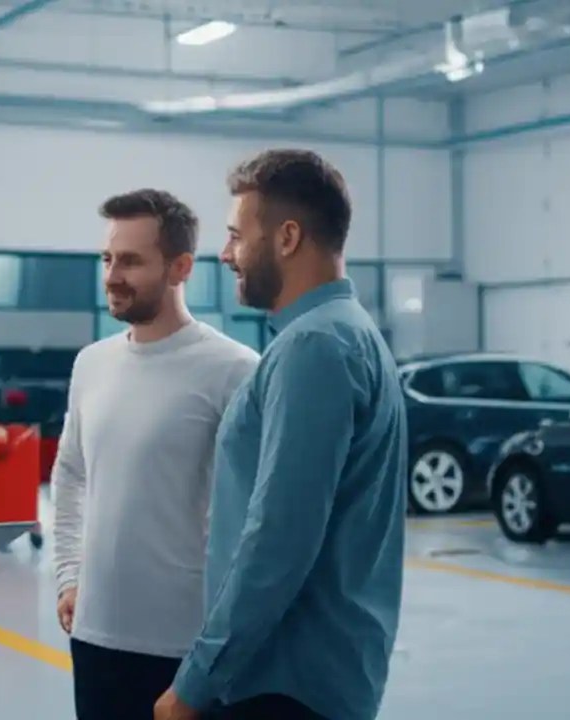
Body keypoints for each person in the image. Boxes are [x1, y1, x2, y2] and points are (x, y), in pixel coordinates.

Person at [154, 149, 408, 720]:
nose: (226, 254)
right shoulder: (348, 335)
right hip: (313, 676)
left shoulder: (313, 347)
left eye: (236, 236)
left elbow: (279, 537)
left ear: (288, 237)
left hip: (284, 685)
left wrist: (196, 680)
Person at [51, 189, 260, 720]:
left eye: (131, 261)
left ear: (180, 267)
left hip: (184, 650)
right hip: (95, 638)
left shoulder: (234, 370)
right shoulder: (91, 364)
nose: (112, 275)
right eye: (108, 259)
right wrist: (69, 576)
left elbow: (255, 517)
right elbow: (72, 475)